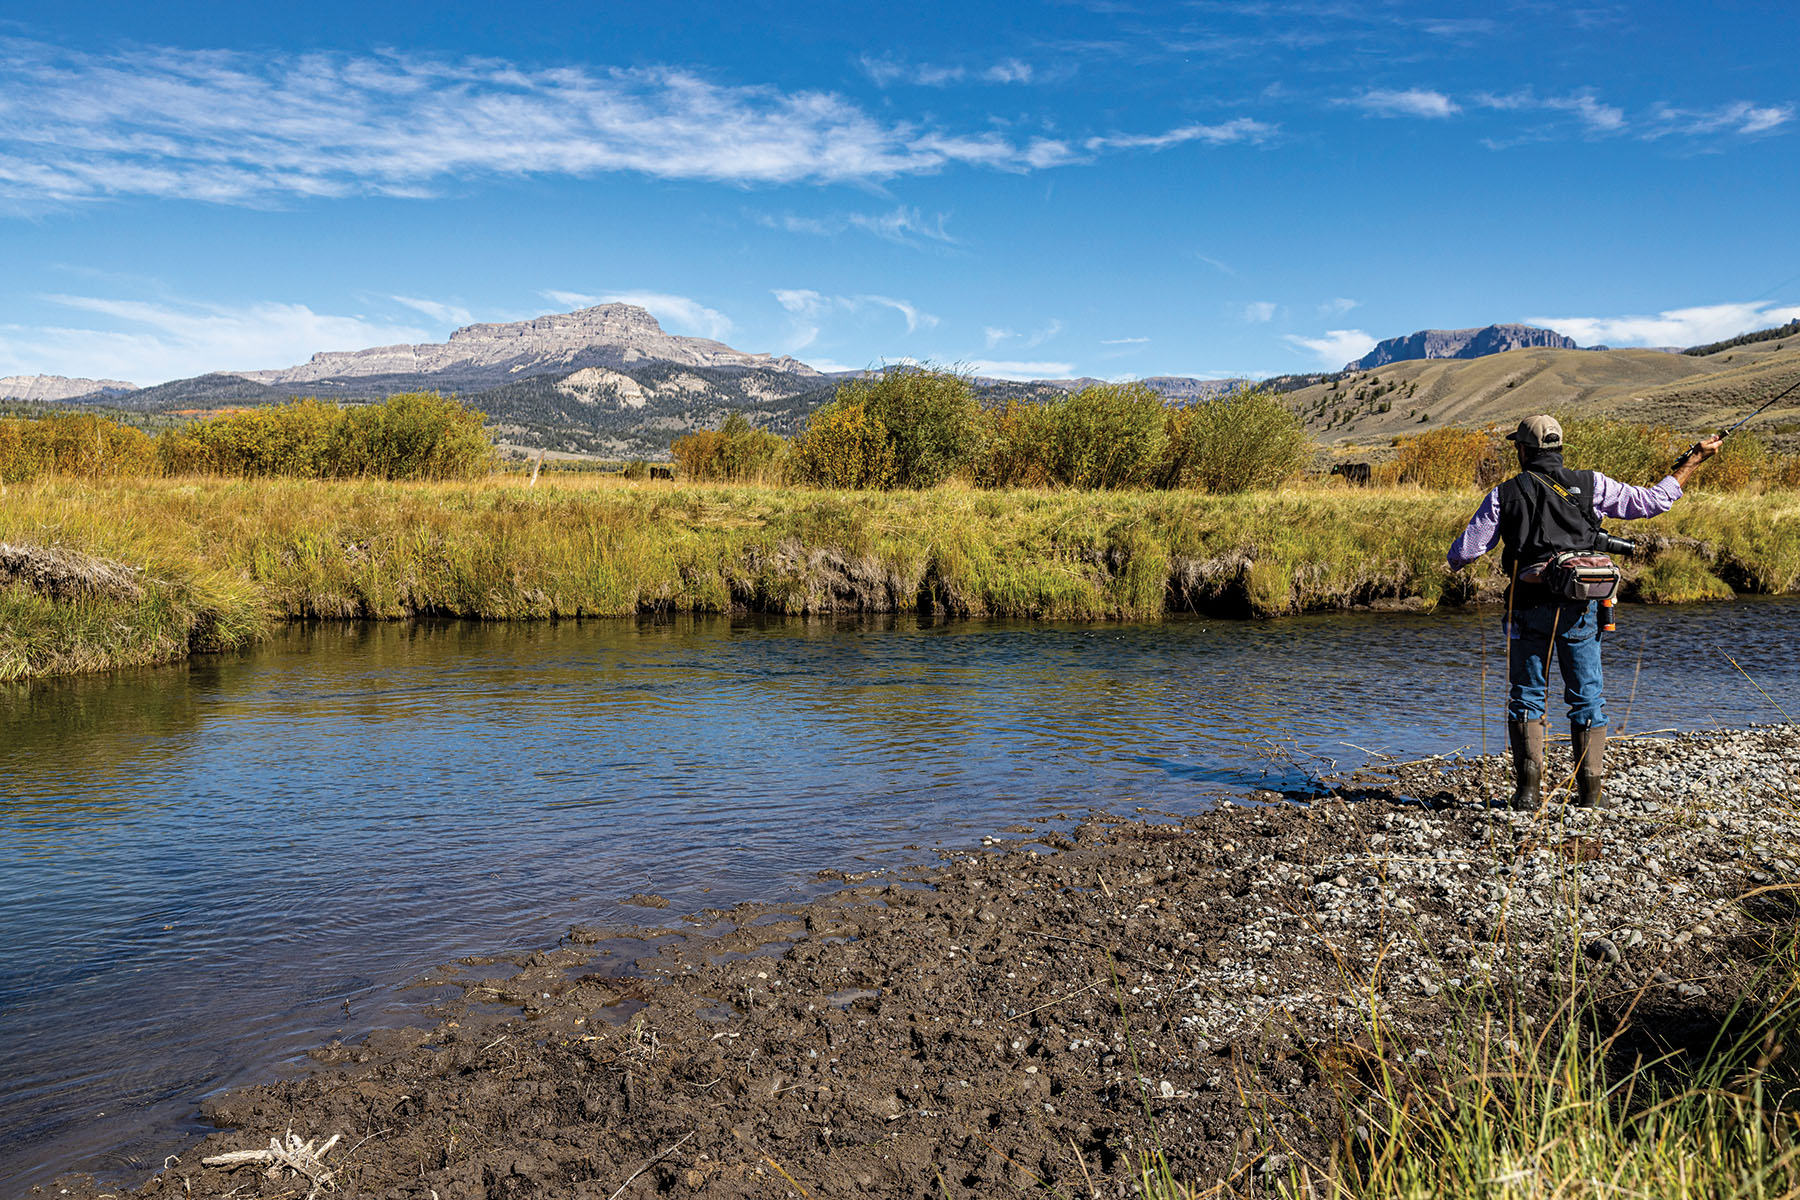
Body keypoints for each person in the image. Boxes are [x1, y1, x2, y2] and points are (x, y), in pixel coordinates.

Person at [1447, 415, 1721, 810]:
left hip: (1526, 606)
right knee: (1587, 698)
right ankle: (1590, 796)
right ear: (1559, 450)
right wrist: (1694, 460)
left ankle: (1527, 795)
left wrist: (1454, 556)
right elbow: (1654, 502)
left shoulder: (1503, 493)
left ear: (1522, 451)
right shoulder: (1594, 483)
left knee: (1525, 696)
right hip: (1582, 607)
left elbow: (1466, 552)